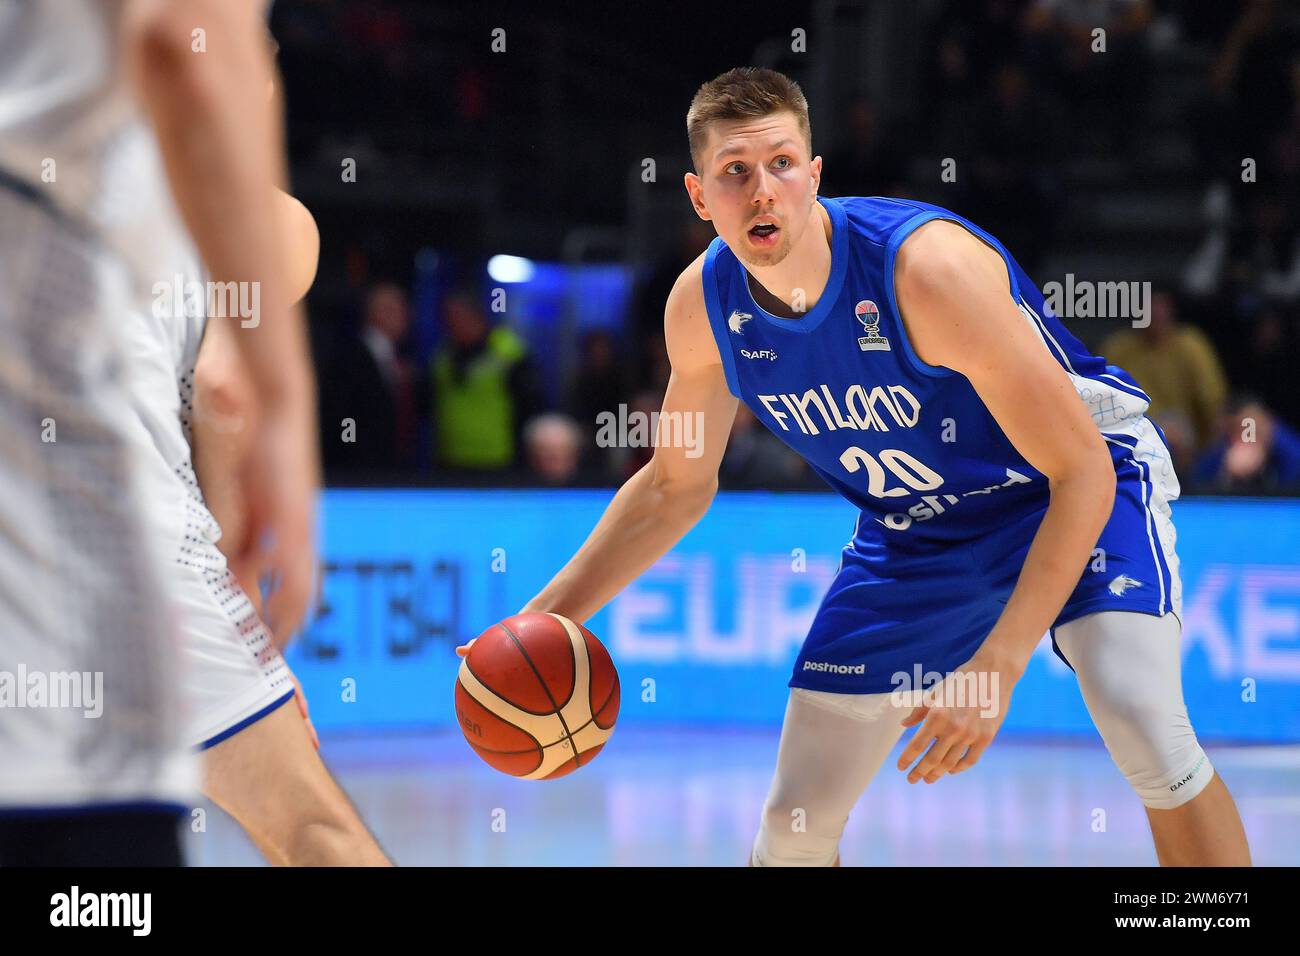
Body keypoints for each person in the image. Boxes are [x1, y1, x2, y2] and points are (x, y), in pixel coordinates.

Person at [459, 67, 1250, 867]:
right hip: (919, 533)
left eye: (781, 164)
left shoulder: (924, 274)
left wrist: (997, 667)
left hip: (1069, 484)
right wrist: (545, 617)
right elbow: (673, 487)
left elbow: (1081, 471)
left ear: (814, 173)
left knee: (1140, 718)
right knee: (794, 825)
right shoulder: (701, 308)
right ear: (700, 198)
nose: (762, 190)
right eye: (736, 172)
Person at [0, 0, 317, 865]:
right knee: (312, 827)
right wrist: (281, 427)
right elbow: (223, 388)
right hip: (75, 517)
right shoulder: (248, 207)